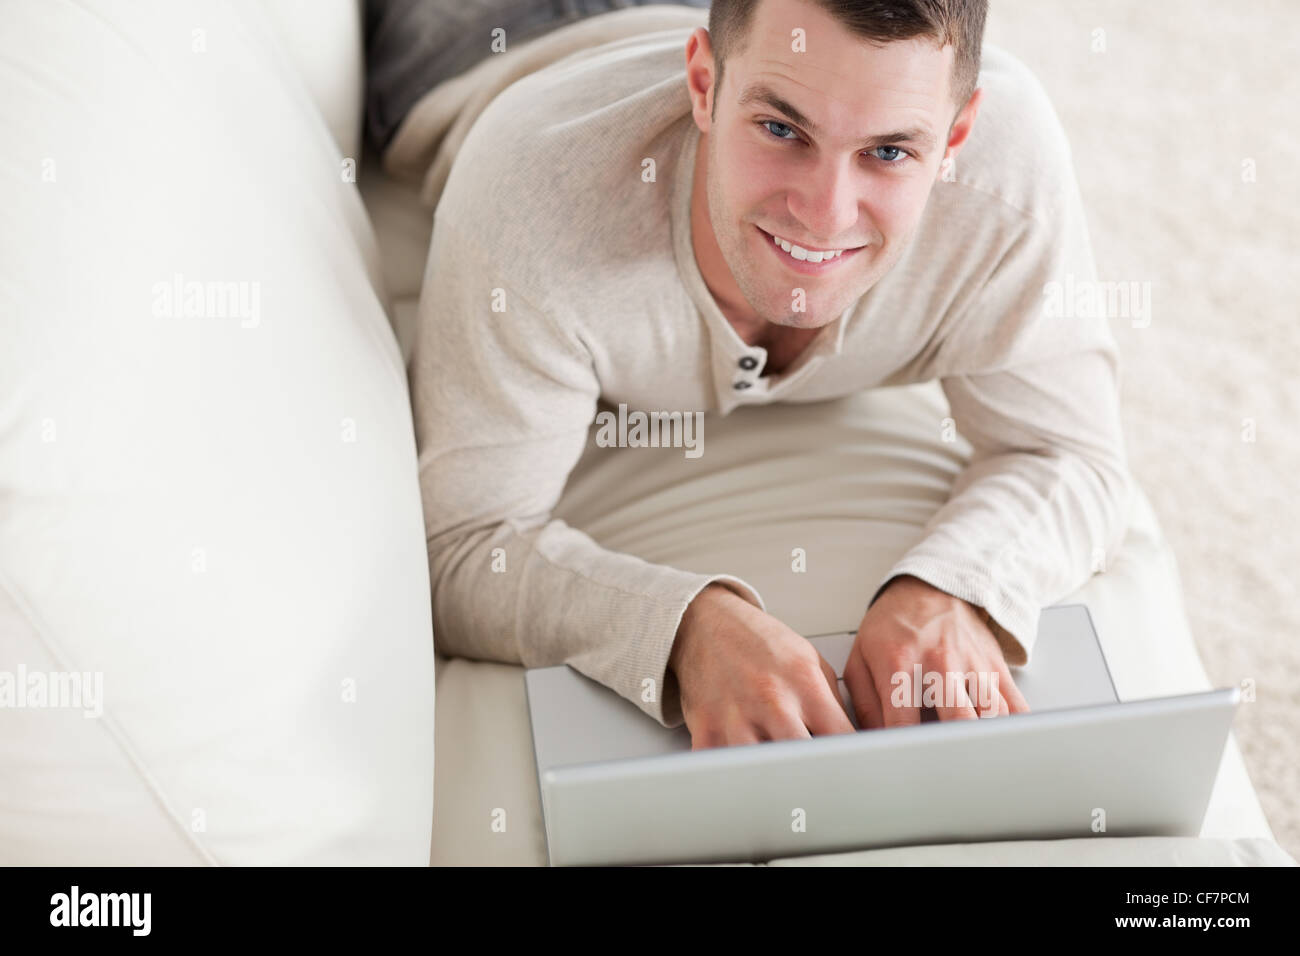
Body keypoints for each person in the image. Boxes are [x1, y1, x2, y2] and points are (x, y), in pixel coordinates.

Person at [383, 0, 1132, 749]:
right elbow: (465, 542)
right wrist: (684, 630)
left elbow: (1073, 455)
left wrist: (955, 587)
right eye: (781, 130)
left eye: (888, 152)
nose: (823, 215)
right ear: (702, 85)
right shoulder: (533, 197)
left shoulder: (1005, 181)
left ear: (956, 136)